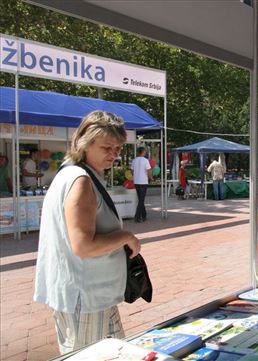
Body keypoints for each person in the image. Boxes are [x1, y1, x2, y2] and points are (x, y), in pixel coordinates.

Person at [34, 111, 141, 354]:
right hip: (85, 299)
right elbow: (83, 246)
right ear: (85, 143)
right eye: (107, 147)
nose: (114, 154)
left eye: (118, 148)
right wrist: (126, 237)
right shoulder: (80, 180)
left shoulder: (75, 173)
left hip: (88, 297)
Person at [131, 147, 152, 223]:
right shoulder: (146, 161)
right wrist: (151, 178)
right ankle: (137, 216)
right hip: (143, 182)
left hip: (136, 182)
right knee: (141, 200)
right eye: (145, 151)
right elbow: (149, 170)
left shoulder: (134, 160)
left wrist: (135, 176)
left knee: (140, 199)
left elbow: (132, 171)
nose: (145, 153)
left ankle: (144, 215)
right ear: (143, 152)